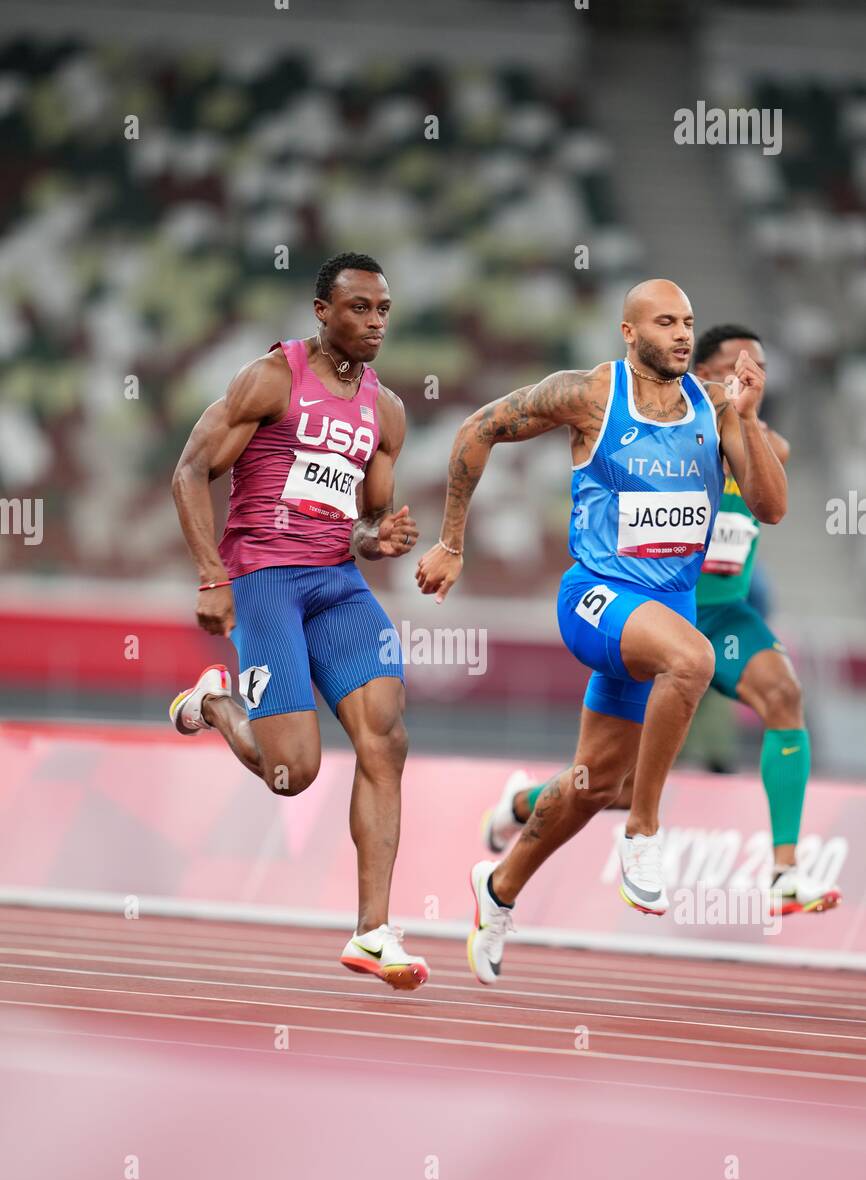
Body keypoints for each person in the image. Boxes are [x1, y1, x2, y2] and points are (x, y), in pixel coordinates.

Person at [416, 279, 787, 984]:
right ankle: (644, 831)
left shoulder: (713, 407)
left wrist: (749, 418)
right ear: (629, 332)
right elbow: (479, 429)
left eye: (690, 322)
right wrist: (453, 543)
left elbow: (770, 508)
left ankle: (497, 890)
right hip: (597, 599)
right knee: (695, 660)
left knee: (592, 783)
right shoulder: (589, 394)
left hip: (666, 610)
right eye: (666, 322)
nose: (683, 334)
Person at [484, 325, 840, 918]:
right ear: (699, 371)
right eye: (732, 364)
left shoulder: (755, 436)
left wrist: (745, 425)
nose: (747, 373)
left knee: (783, 693)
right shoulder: (668, 425)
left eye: (758, 365)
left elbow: (772, 489)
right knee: (608, 786)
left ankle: (783, 872)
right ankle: (522, 805)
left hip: (720, 617)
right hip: (657, 614)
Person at [170, 251, 428, 990]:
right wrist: (212, 575)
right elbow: (190, 470)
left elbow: (365, 518)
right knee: (293, 772)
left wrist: (378, 539)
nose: (375, 322)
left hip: (336, 583)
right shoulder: (272, 378)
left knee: (388, 735)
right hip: (264, 580)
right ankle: (215, 703)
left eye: (383, 310)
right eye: (358, 309)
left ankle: (373, 932)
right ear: (323, 312)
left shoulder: (387, 410)